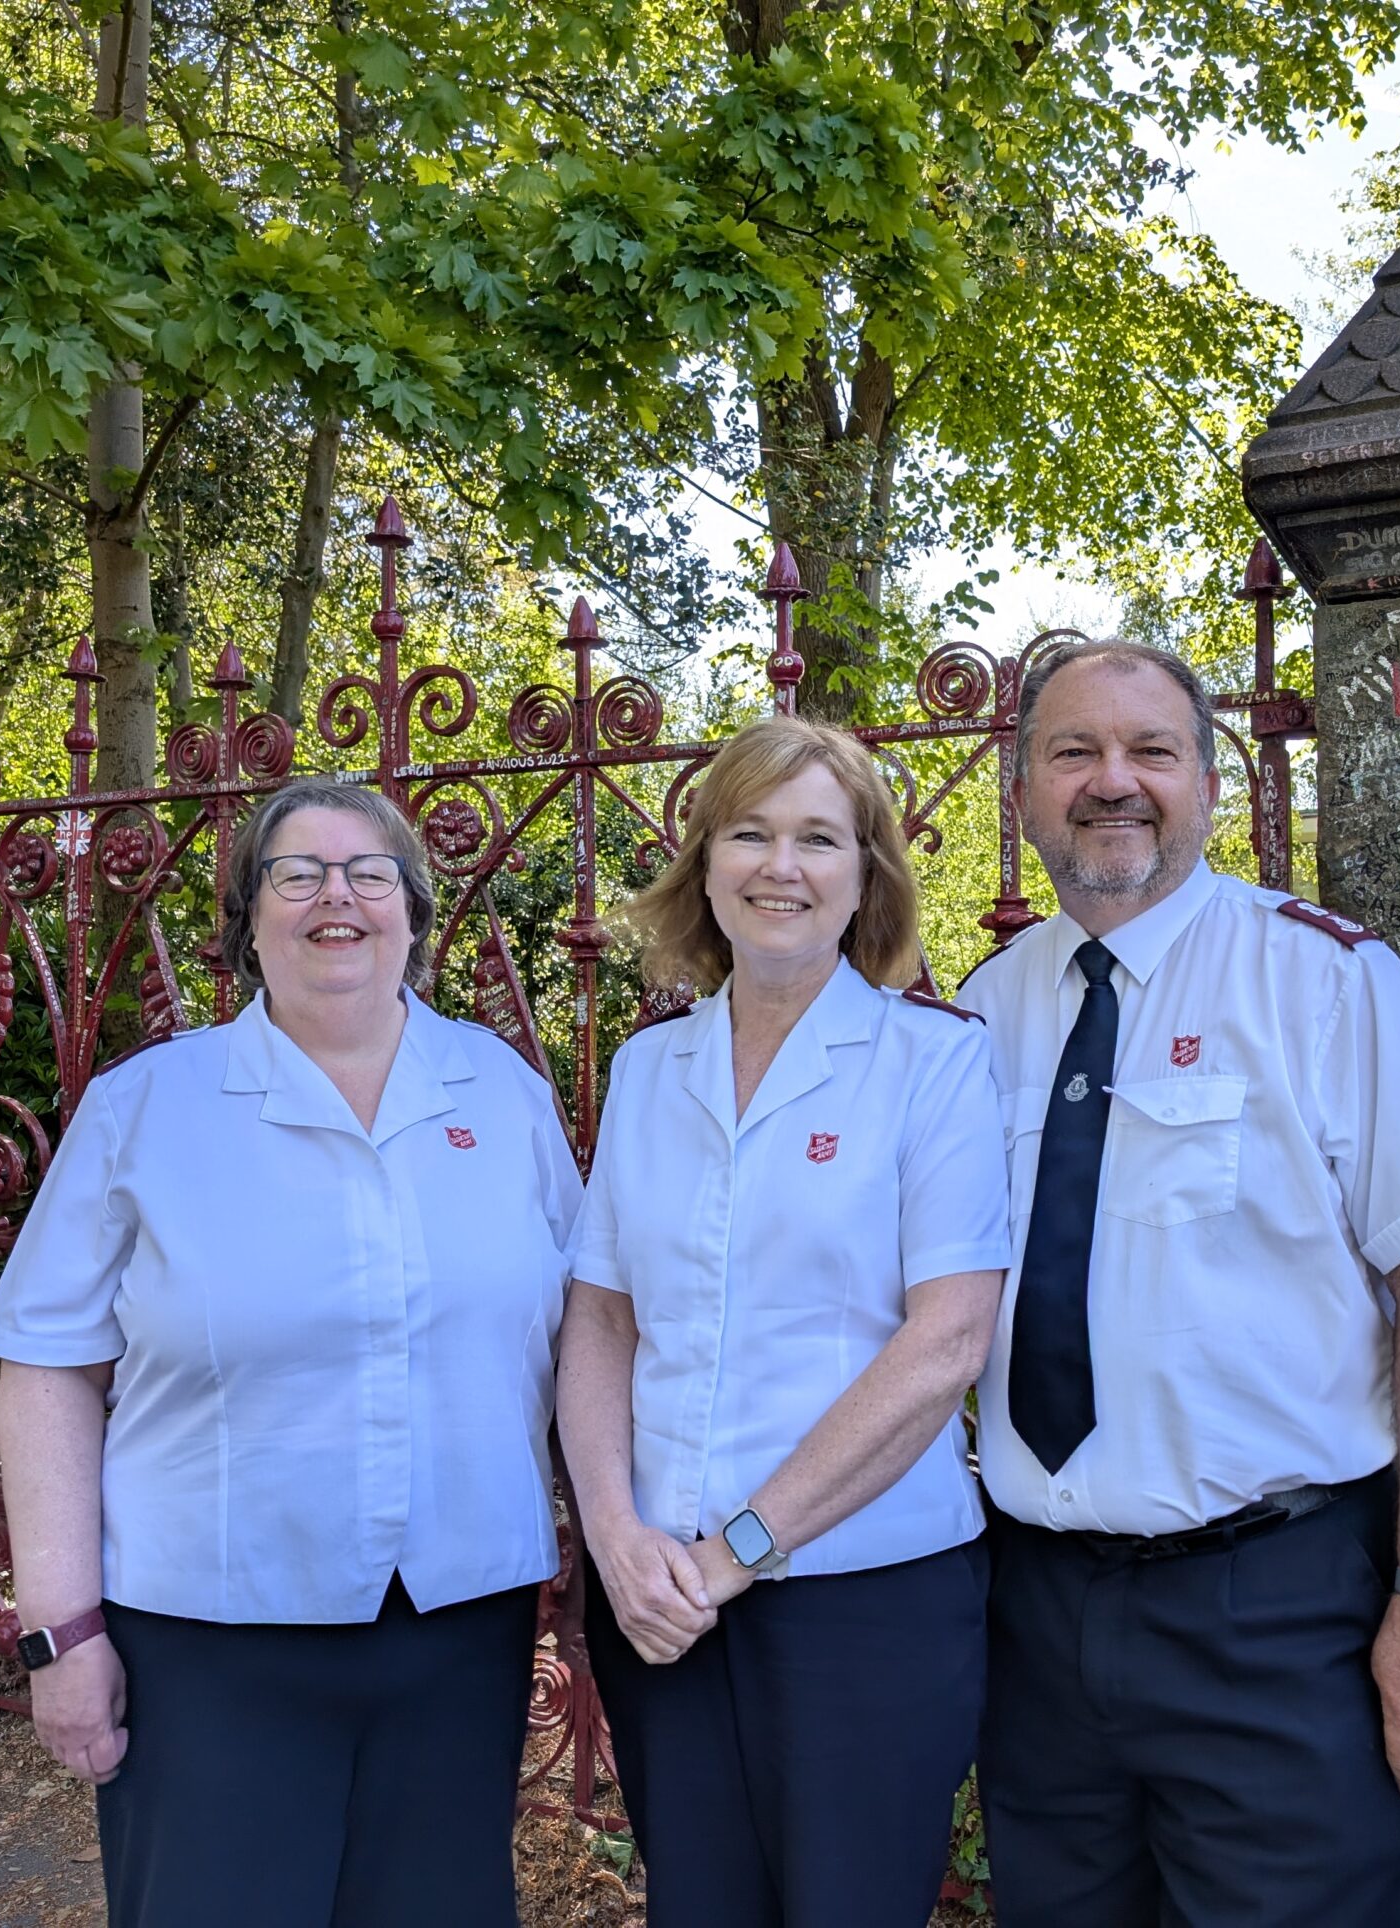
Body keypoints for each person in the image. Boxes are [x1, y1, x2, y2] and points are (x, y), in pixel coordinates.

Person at [956, 639, 1400, 1925]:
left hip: (1271, 1610)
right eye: (1073, 750)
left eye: (1151, 750)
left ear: (1209, 786)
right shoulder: (979, 1016)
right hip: (1033, 1615)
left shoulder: (1323, 978)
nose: (1113, 780)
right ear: (1022, 789)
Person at [0, 778, 581, 1928]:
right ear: (248, 920)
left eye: (368, 873)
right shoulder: (147, 1106)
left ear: (412, 911)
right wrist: (61, 1629)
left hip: (460, 1630)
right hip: (208, 1642)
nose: (334, 897)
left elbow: (582, 1335)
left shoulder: (502, 1094)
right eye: (295, 874)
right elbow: (48, 1366)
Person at [557, 715, 1012, 1928]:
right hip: (661, 1598)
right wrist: (614, 1532)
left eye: (818, 837)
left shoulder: (933, 1063)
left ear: (866, 874)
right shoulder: (651, 1070)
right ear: (703, 865)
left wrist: (740, 1547)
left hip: (861, 1600)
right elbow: (600, 1317)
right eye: (748, 833)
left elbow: (946, 1343)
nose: (780, 865)